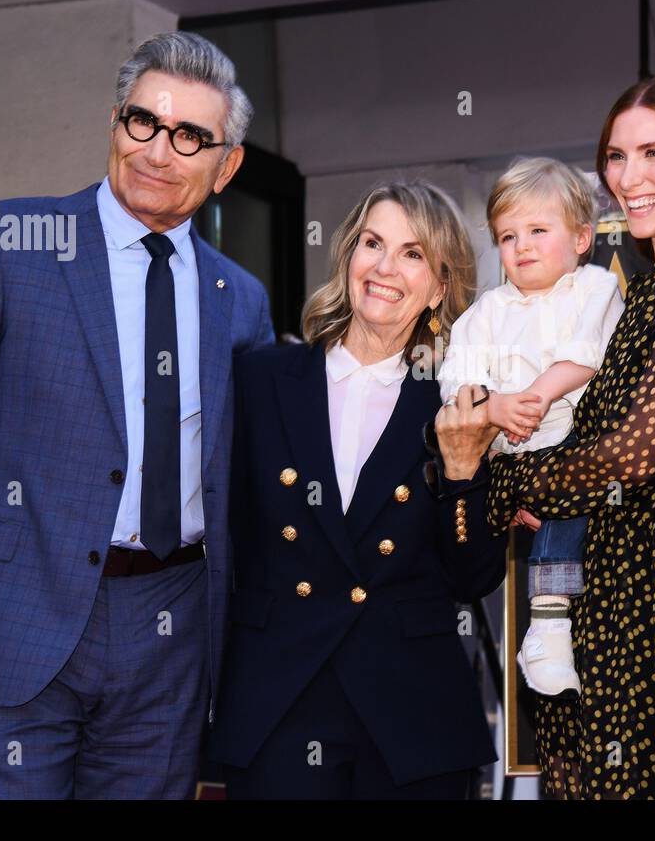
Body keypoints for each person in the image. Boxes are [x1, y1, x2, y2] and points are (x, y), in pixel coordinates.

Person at [0, 31, 274, 799]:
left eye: (190, 136)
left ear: (226, 166)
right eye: (142, 122)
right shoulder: (5, 245)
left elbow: (252, 482)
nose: (158, 152)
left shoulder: (242, 301)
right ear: (114, 123)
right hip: (12, 629)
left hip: (172, 631)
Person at [437, 71, 655, 799]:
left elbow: (636, 453)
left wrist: (497, 481)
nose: (628, 177)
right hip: (587, 598)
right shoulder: (647, 285)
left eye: (654, 153)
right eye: (616, 156)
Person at [206, 182, 505, 799]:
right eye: (373, 243)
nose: (385, 267)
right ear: (348, 255)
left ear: (442, 287)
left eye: (413, 253)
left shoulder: (460, 399)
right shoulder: (260, 379)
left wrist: (461, 469)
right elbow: (221, 536)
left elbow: (473, 575)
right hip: (279, 699)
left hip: (411, 715)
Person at [437, 157, 624, 696]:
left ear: (583, 238)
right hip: (512, 458)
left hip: (580, 448)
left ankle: (549, 625)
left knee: (568, 518)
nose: (522, 246)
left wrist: (537, 393)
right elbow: (458, 382)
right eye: (508, 236)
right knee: (539, 528)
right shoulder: (488, 309)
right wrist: (494, 408)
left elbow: (586, 358)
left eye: (539, 231)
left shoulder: (593, 290)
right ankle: (547, 624)